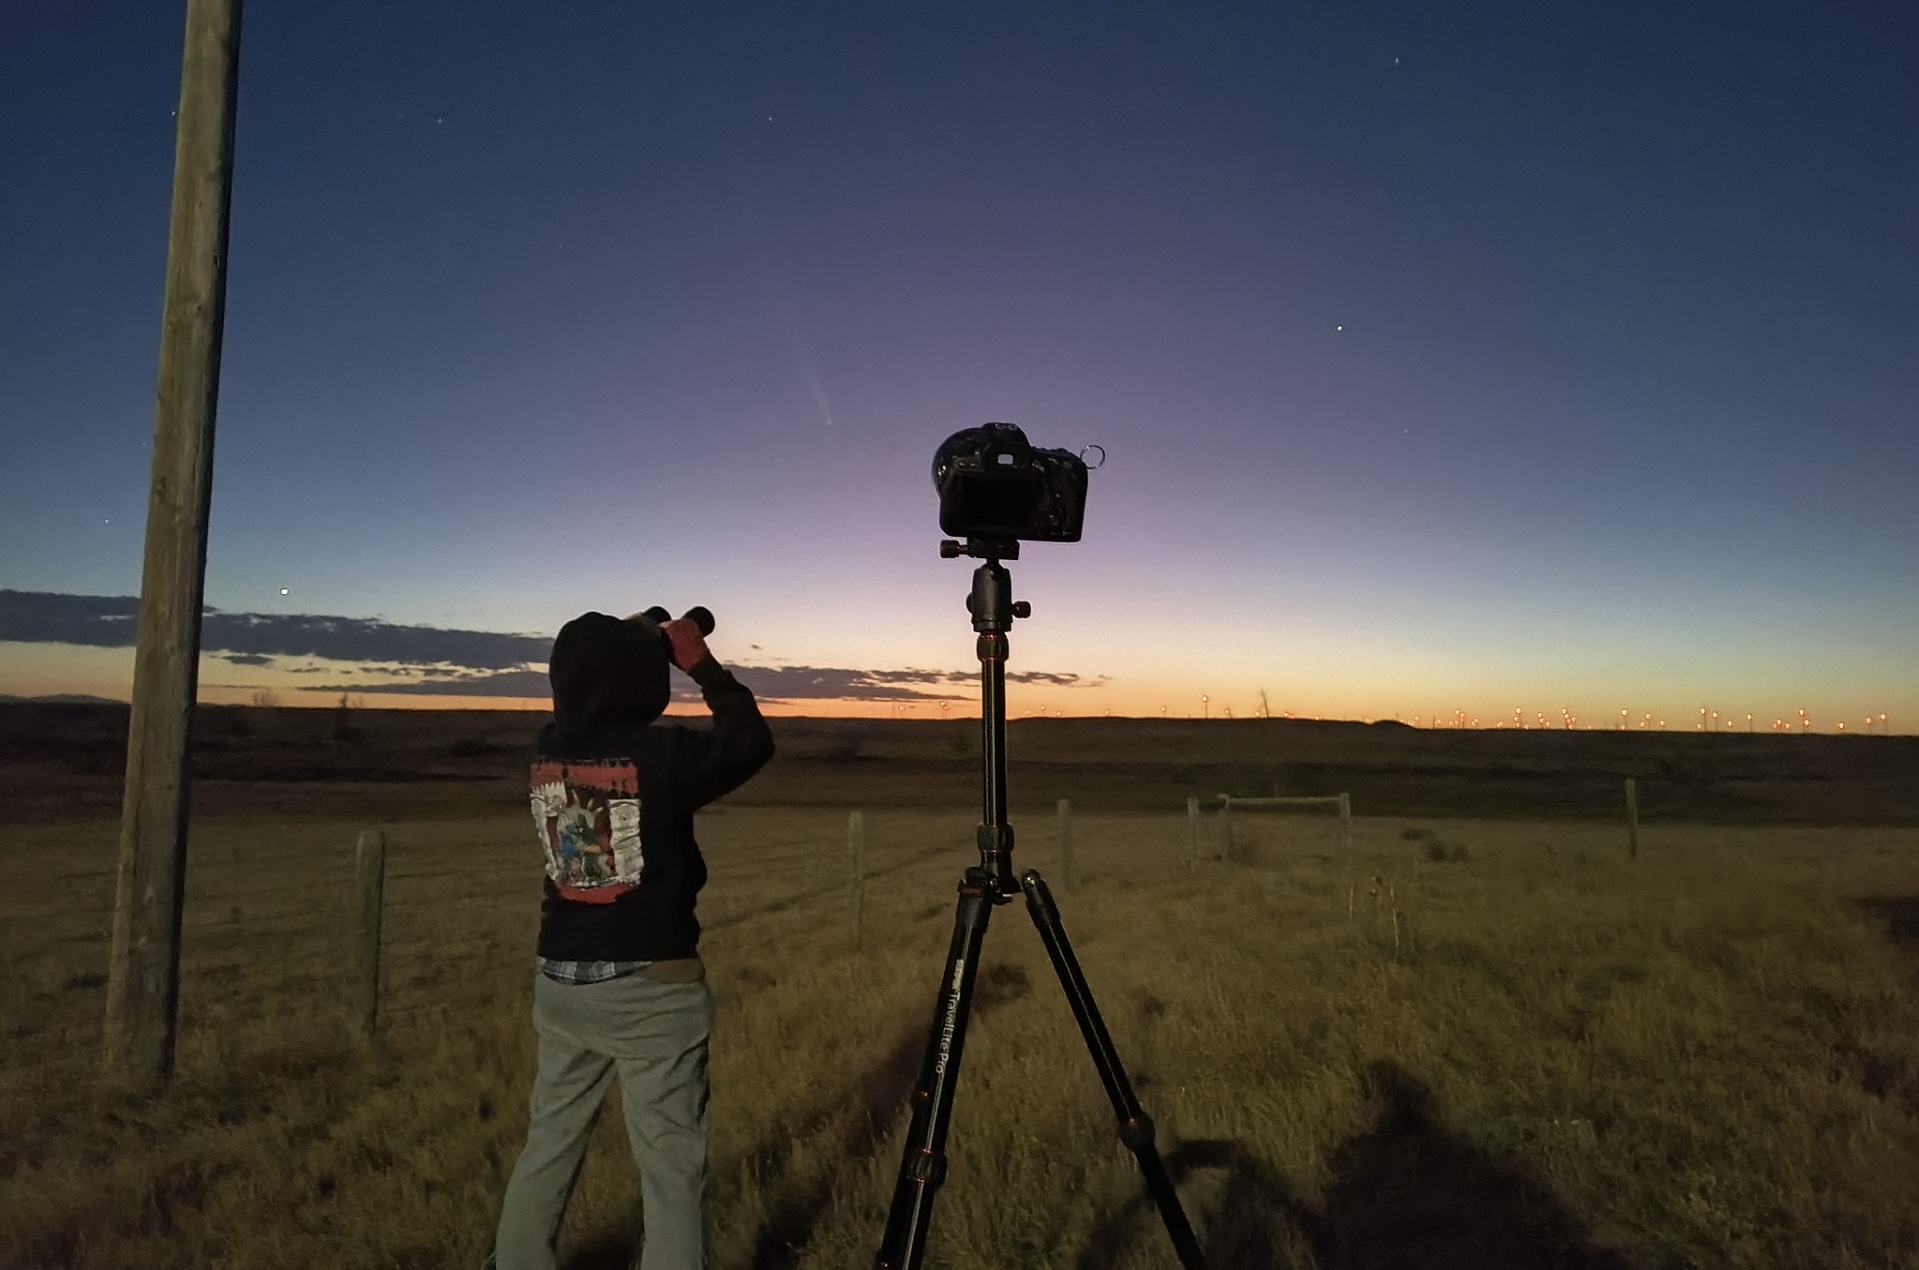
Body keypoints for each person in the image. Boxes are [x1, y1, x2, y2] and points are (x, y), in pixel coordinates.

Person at [495, 608, 775, 1270]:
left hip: (560, 977)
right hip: (651, 985)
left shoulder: (546, 749)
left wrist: (631, 641)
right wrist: (698, 663)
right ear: (640, 681)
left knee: (551, 1140)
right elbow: (749, 744)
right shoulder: (662, 755)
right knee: (670, 1163)